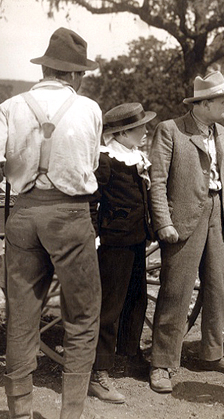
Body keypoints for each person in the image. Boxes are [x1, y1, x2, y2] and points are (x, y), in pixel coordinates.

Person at [0, 28, 102, 418]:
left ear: (46, 69)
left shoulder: (12, 106)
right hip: (70, 215)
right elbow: (91, 165)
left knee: (22, 314)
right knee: (83, 315)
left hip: (24, 213)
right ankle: (71, 414)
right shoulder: (89, 109)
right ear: (73, 75)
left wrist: (8, 171)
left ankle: (20, 413)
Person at [148, 71, 224, 393]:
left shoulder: (223, 133)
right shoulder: (171, 130)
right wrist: (164, 222)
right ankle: (162, 363)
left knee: (217, 290)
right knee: (175, 292)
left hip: (216, 218)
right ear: (203, 104)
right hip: (183, 221)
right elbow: (158, 182)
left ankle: (211, 353)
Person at [87, 103, 156, 403]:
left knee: (136, 298)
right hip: (114, 242)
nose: (145, 131)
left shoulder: (137, 157)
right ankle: (98, 371)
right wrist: (94, 234)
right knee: (111, 305)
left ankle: (130, 353)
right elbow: (92, 198)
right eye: (140, 128)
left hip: (137, 239)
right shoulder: (105, 159)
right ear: (124, 132)